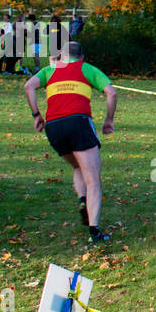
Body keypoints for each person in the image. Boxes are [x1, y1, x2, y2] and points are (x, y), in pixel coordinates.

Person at [23, 41, 118, 244]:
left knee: (77, 165)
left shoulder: (50, 70)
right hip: (78, 122)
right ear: (81, 57)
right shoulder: (87, 68)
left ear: (62, 57)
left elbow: (28, 86)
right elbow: (112, 92)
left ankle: (83, 200)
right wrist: (108, 120)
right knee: (93, 179)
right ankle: (94, 232)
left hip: (53, 127)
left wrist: (36, 115)